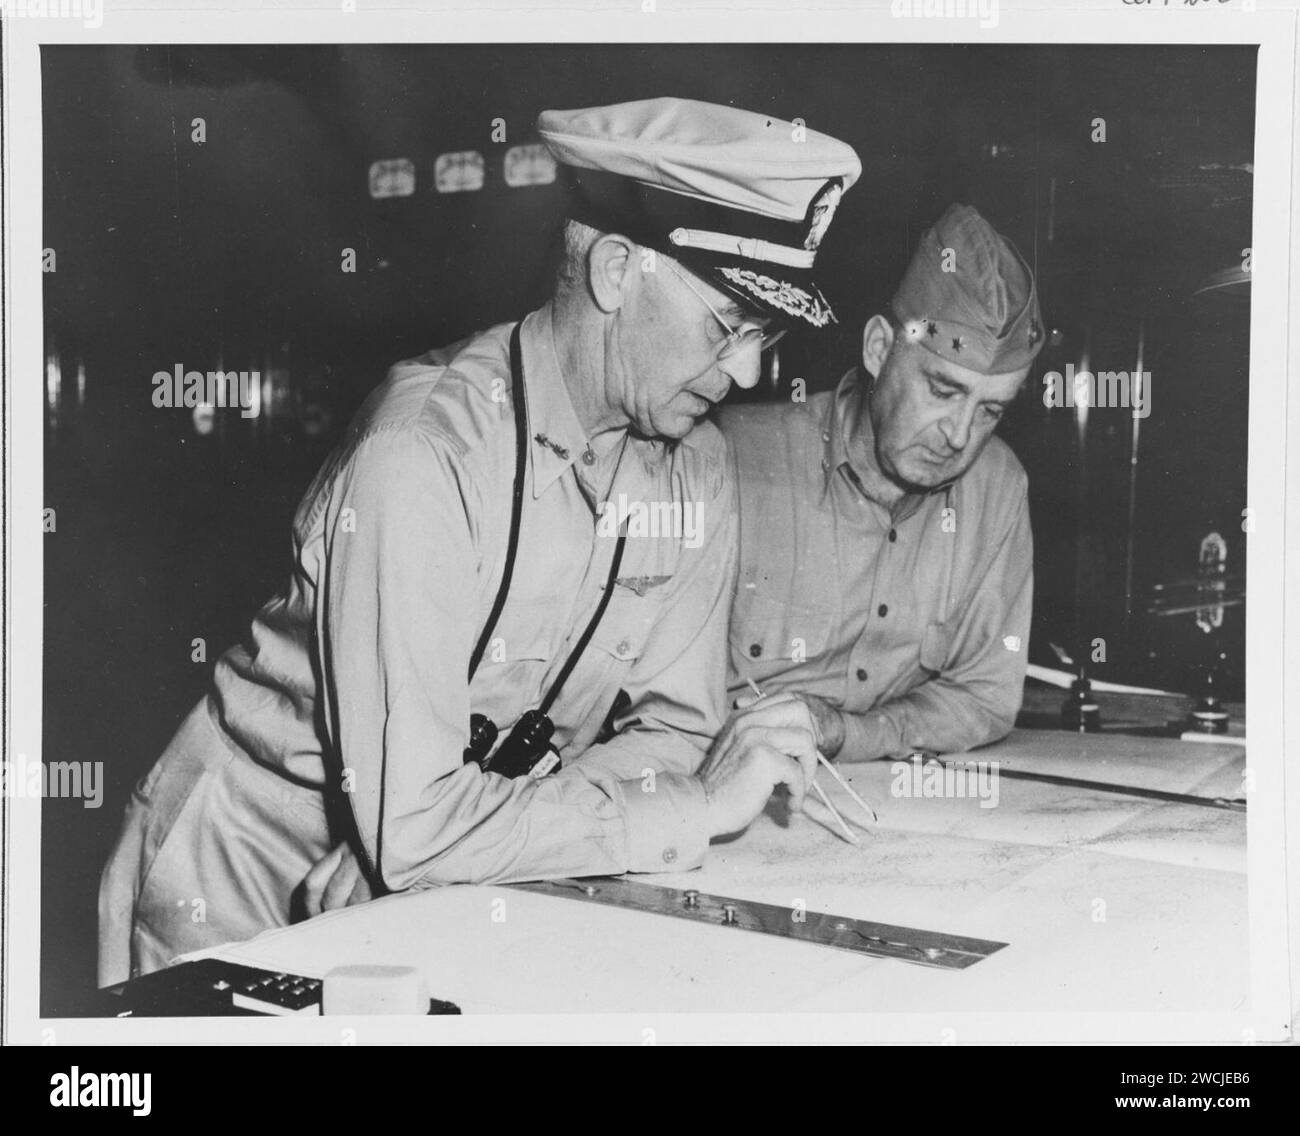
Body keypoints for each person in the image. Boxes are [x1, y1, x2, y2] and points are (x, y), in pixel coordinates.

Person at [98, 97, 862, 985]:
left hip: (434, 871)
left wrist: (451, 843)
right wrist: (688, 811)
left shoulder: (696, 468)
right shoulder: (420, 453)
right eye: (729, 324)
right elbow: (429, 830)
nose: (749, 371)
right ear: (616, 271)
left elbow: (673, 732)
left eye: (764, 334)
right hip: (246, 871)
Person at [719, 204, 1043, 763]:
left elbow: (987, 697)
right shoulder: (732, 460)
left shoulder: (997, 489)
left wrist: (847, 732)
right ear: (878, 349)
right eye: (942, 391)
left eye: (991, 411)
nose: (961, 436)